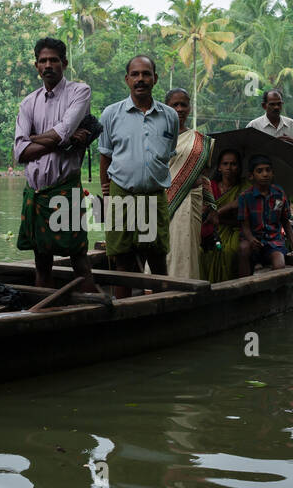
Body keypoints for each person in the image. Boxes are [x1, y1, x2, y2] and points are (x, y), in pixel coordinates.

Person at [13, 37, 101, 295]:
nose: (48, 65)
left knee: (79, 258)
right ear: (36, 66)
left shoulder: (79, 91)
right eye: (43, 60)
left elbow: (63, 131)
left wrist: (36, 137)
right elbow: (20, 151)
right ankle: (47, 313)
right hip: (36, 192)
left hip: (65, 189)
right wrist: (60, 139)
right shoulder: (28, 102)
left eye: (53, 60)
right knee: (42, 261)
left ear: (64, 63)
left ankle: (93, 311)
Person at [97, 55, 179, 299]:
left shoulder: (169, 116)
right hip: (121, 192)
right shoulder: (111, 114)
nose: (141, 79)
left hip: (154, 194)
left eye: (146, 74)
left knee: (157, 257)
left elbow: (168, 154)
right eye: (135, 74)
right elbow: (105, 156)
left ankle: (161, 306)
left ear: (155, 78)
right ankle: (122, 310)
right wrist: (107, 195)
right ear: (127, 79)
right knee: (121, 257)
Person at [163, 88, 215, 281]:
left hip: (190, 201)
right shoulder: (156, 136)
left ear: (190, 108)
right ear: (165, 108)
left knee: (187, 247)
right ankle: (154, 287)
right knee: (160, 247)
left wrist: (210, 204)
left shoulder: (201, 141)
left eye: (183, 104)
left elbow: (205, 174)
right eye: (174, 105)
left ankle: (185, 287)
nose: (179, 109)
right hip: (161, 201)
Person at [238, 154, 293, 276]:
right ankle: (244, 285)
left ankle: (275, 290)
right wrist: (251, 239)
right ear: (251, 176)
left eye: (268, 170)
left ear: (273, 173)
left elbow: (285, 222)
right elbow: (245, 225)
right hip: (253, 241)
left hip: (273, 241)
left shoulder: (279, 193)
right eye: (260, 171)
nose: (265, 174)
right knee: (244, 248)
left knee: (279, 264)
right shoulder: (245, 197)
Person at [199, 148, 249, 283]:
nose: (229, 168)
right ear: (219, 167)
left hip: (235, 229)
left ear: (239, 167)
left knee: (229, 251)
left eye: (233, 164)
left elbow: (244, 210)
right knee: (202, 251)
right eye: (225, 164)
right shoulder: (210, 186)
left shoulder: (245, 187)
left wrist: (219, 212)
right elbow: (203, 211)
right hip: (212, 229)